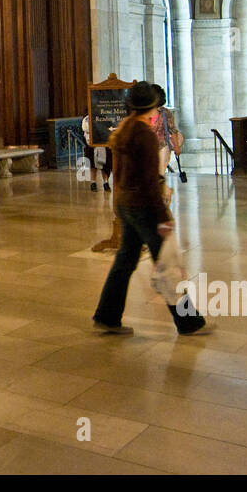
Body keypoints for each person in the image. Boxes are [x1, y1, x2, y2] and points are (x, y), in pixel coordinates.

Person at [93, 81, 209, 337]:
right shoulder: (143, 134)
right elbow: (148, 181)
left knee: (124, 261)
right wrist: (163, 216)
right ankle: (188, 322)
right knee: (166, 264)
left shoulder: (123, 129)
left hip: (125, 204)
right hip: (144, 207)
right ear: (151, 106)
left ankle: (107, 315)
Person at [80, 114, 111, 192]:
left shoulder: (105, 116)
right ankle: (93, 183)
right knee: (93, 165)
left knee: (105, 165)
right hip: (91, 143)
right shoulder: (87, 118)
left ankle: (105, 182)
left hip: (104, 142)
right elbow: (86, 128)